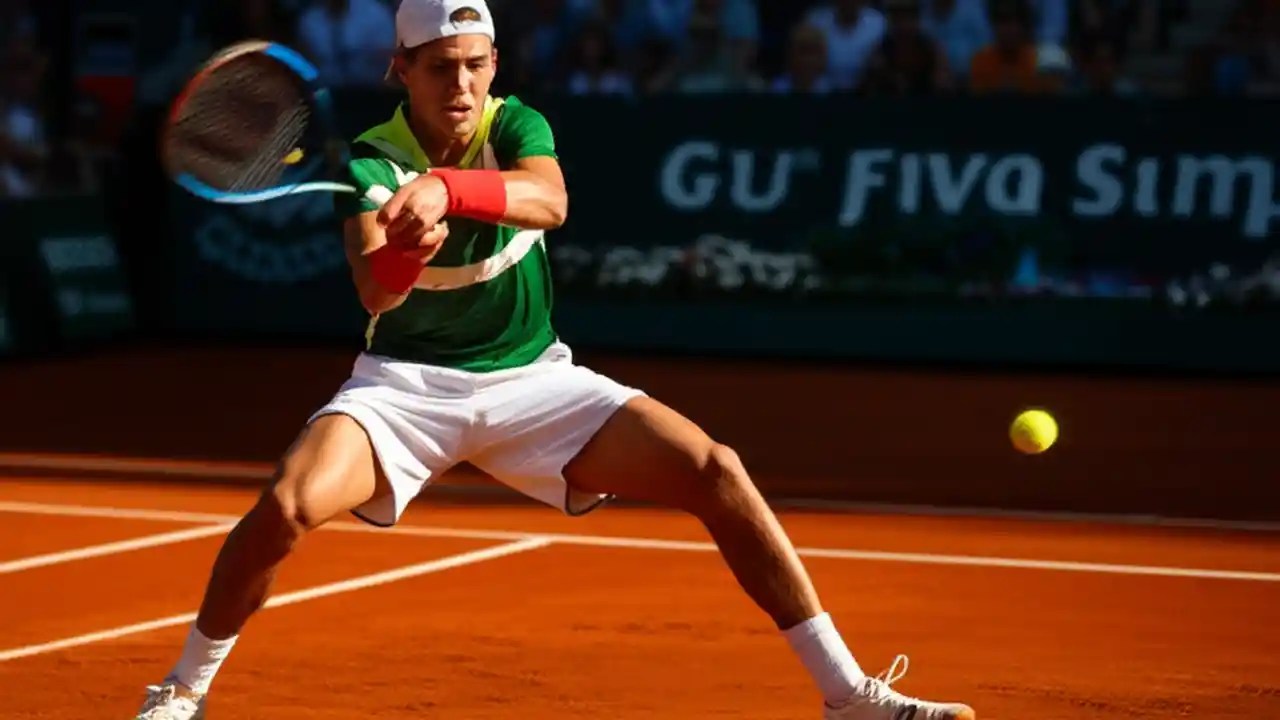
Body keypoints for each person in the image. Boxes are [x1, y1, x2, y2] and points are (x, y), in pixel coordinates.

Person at [133, 1, 977, 718]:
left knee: (717, 469)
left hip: (536, 380)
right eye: (439, 69)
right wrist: (403, 247)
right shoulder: (368, 160)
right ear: (402, 68)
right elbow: (377, 296)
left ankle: (848, 694)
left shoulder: (517, 122)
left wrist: (449, 192)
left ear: (493, 62)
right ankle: (181, 691)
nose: (460, 86)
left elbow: (552, 199)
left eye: (474, 65)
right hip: (404, 391)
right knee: (284, 506)